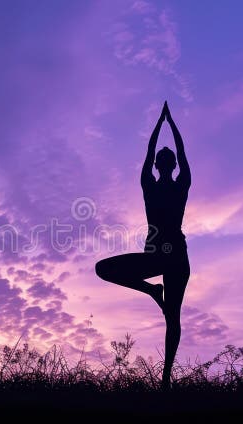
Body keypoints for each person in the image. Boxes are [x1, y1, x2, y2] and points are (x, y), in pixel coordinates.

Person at [95, 101, 191, 388]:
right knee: (105, 269)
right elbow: (152, 154)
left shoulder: (178, 185)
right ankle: (151, 288)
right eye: (161, 159)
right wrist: (166, 124)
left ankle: (165, 382)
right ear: (164, 165)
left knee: (173, 318)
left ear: (170, 165)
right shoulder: (151, 185)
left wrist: (166, 124)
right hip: (157, 255)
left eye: (165, 159)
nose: (161, 161)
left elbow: (175, 153)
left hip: (175, 255)